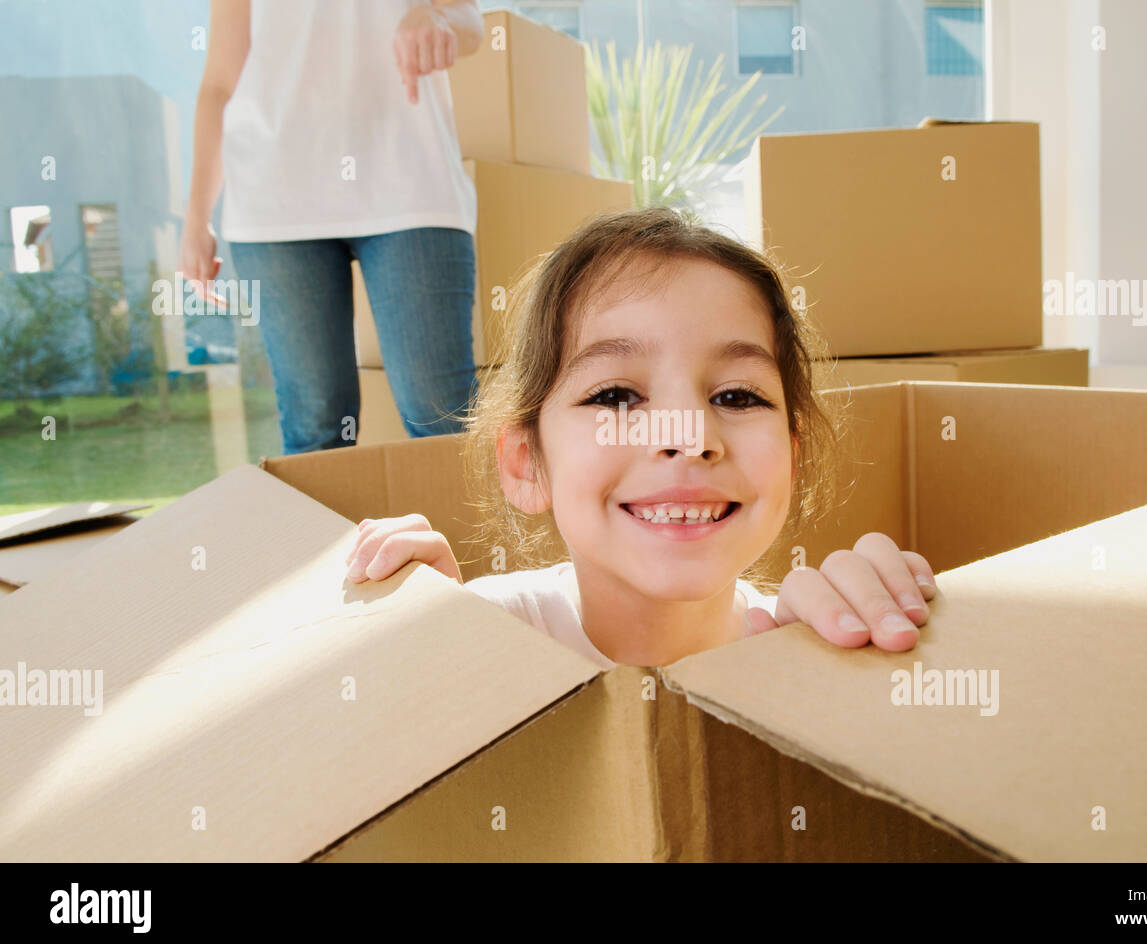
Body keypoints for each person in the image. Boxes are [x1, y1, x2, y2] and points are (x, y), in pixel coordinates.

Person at [339, 207, 940, 669]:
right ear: (528, 463)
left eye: (736, 396)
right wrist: (436, 652)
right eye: (616, 397)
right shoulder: (489, 634)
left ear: (793, 454)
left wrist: (867, 660)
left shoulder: (804, 638)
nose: (688, 436)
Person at [181, 0, 484, 454]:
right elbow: (221, 82)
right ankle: (325, 531)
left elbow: (470, 21)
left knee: (443, 414)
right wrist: (195, 217)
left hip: (411, 184)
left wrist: (438, 18)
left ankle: (472, 529)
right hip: (274, 200)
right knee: (315, 428)